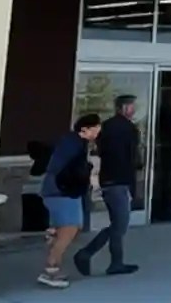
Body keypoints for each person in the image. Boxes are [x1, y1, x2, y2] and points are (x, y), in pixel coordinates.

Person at [74, 95, 140, 277]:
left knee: (117, 224)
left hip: (107, 180)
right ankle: (89, 254)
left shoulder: (106, 128)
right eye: (132, 106)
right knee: (120, 225)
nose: (134, 110)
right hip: (121, 181)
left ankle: (114, 262)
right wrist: (134, 187)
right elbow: (132, 159)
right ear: (124, 108)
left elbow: (100, 150)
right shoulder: (129, 129)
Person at [38, 114, 101, 289]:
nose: (97, 132)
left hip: (60, 191)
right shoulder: (73, 144)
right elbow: (63, 169)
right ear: (85, 129)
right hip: (62, 192)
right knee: (70, 229)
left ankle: (52, 236)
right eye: (95, 128)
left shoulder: (71, 142)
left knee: (69, 228)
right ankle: (51, 269)